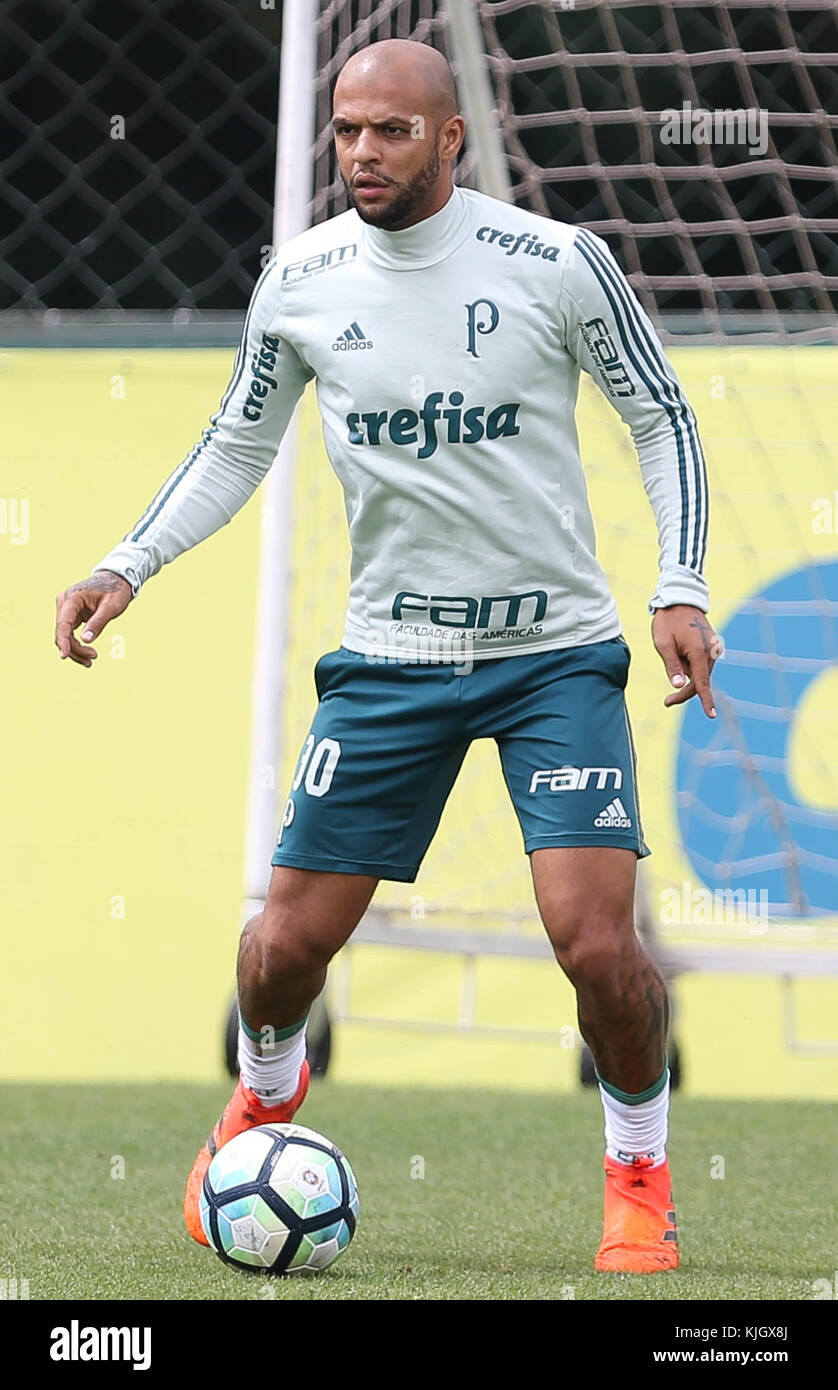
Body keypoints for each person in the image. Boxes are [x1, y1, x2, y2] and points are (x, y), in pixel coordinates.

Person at [55, 38, 719, 1274]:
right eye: (347, 131)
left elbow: (660, 415)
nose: (361, 151)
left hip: (552, 657)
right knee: (279, 950)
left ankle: (637, 1170)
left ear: (449, 138)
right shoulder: (300, 279)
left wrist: (678, 582)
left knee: (596, 943)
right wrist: (124, 562)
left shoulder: (555, 262)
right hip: (391, 660)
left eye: (390, 132)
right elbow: (235, 446)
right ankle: (266, 1087)